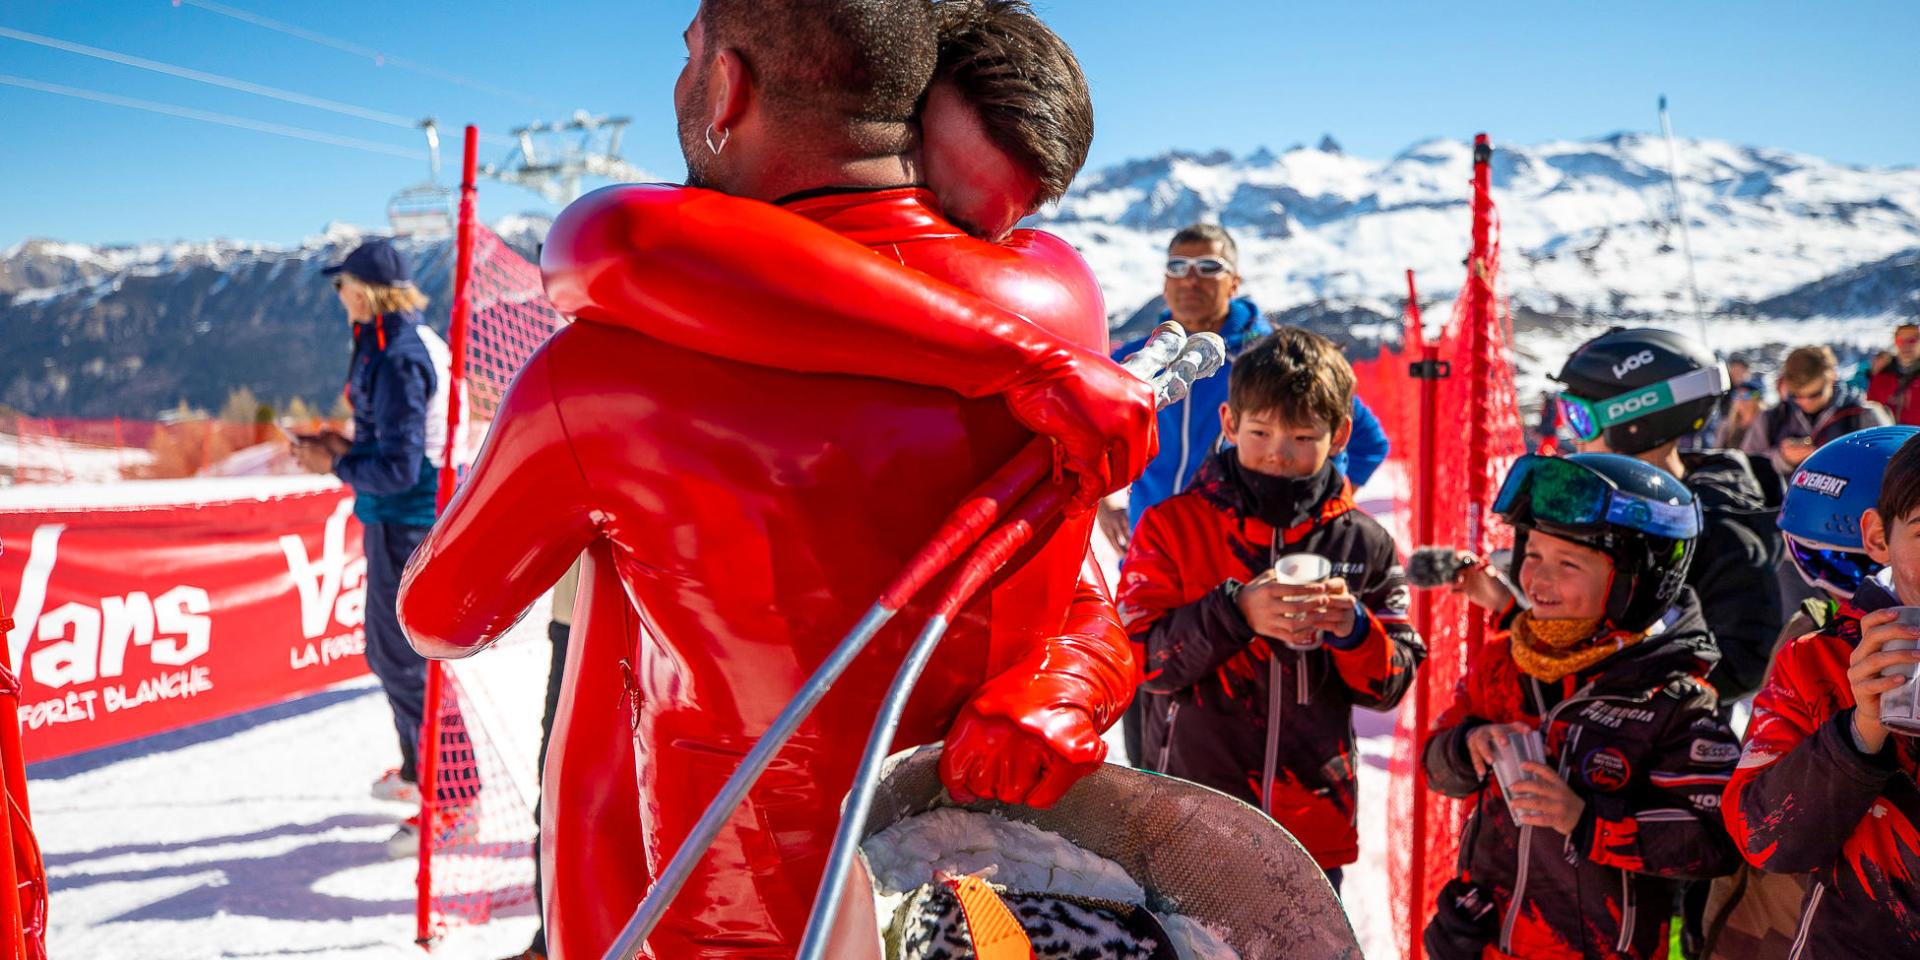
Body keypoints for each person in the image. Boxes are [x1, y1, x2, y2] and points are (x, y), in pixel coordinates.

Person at [397, 2, 1153, 957]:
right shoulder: (1057, 313)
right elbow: (1071, 585)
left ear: (727, 87)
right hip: (978, 913)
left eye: (689, 57)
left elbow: (440, 612)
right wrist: (1073, 677)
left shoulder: (600, 372)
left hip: (700, 915)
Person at [1116, 327, 1423, 891]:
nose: (1278, 454)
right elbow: (1137, 662)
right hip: (1192, 818)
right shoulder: (1172, 527)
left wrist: (1354, 630)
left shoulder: (1365, 544)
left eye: (1303, 436)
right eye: (1260, 432)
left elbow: (1393, 683)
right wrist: (1236, 615)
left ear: (1340, 435)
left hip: (1309, 827)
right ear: (1229, 423)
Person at [1422, 453, 1741, 960]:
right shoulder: (1505, 661)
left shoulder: (1672, 701)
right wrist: (1466, 747)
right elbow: (1437, 764)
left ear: (1634, 581)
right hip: (1488, 941)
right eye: (1532, 555)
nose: (1538, 581)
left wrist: (1588, 820)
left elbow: (1715, 839)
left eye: (1568, 564)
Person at [1698, 424, 1918, 958]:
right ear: (1877, 540)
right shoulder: (1814, 662)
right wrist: (1857, 733)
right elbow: (1760, 837)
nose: (1828, 581)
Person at [290, 238, 468, 856]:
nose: (337, 296)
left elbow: (397, 466)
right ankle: (424, 773)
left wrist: (333, 462)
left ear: (363, 290)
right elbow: (391, 444)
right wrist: (342, 448)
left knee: (409, 662)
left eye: (341, 285)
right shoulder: (388, 340)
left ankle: (455, 799)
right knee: (390, 653)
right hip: (399, 515)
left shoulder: (397, 355)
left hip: (409, 519)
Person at [1100, 223, 1392, 552]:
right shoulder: (1137, 359)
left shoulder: (1277, 355)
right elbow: (1093, 437)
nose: (1191, 279)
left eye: (1209, 267)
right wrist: (1104, 504)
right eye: (1177, 267)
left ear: (1234, 283)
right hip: (1151, 557)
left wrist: (1321, 509)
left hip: (1245, 564)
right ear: (1165, 281)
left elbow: (1368, 442)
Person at [1553, 327, 1783, 702]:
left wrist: (1627, 673)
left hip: (1665, 744)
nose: (1573, 436)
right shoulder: (1599, 505)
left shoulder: (1721, 533)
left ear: (1634, 422)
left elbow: (1740, 664)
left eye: (1580, 417)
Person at [1742, 344, 1890, 477]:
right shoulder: (1772, 418)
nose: (1805, 402)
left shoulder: (1864, 416)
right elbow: (1745, 466)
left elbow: (1889, 467)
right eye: (1796, 396)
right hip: (1783, 505)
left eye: (1815, 394)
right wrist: (1782, 458)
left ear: (1832, 377)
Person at [1867, 323, 1920, 426]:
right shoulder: (1881, 377)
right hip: (1887, 439)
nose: (1906, 345)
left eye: (1911, 340)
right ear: (1895, 343)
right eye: (1901, 341)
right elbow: (1870, 414)